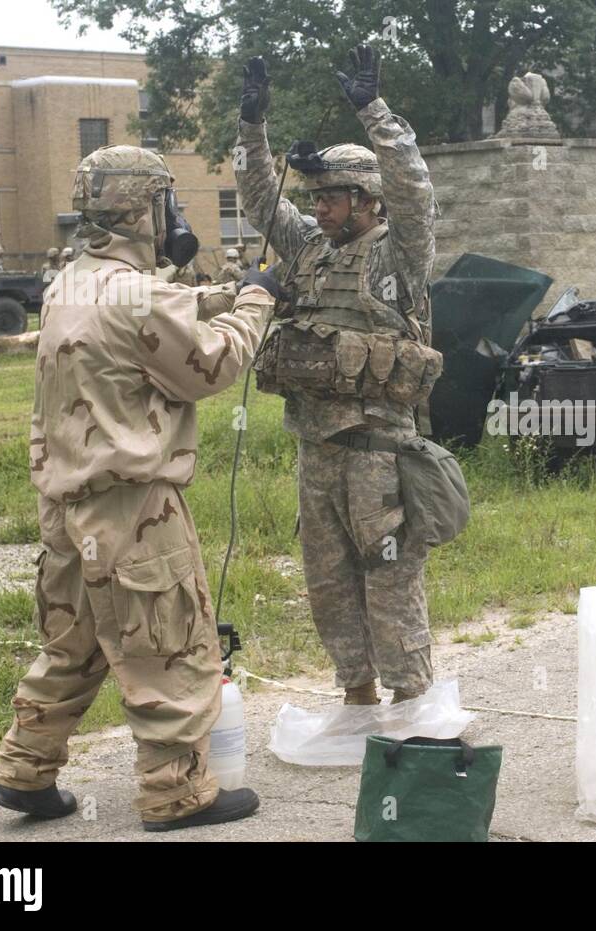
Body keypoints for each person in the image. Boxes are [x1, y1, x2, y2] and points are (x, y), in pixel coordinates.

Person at [0, 143, 281, 831]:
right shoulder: (141, 295)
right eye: (165, 201)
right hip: (133, 509)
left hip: (66, 505)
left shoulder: (71, 281)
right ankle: (175, 792)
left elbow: (157, 313)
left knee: (74, 643)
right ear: (145, 206)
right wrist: (259, 302)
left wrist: (222, 291)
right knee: (169, 645)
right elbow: (209, 365)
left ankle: (26, 771)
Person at [235, 46, 441, 705]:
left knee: (388, 572)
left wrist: (373, 110)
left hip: (378, 447)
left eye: (332, 197)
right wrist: (252, 125)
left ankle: (411, 699)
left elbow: (413, 187)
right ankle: (356, 694)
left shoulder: (397, 251)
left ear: (366, 201)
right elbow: (259, 198)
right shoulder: (307, 248)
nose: (319, 208)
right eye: (316, 197)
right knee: (325, 577)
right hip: (314, 445)